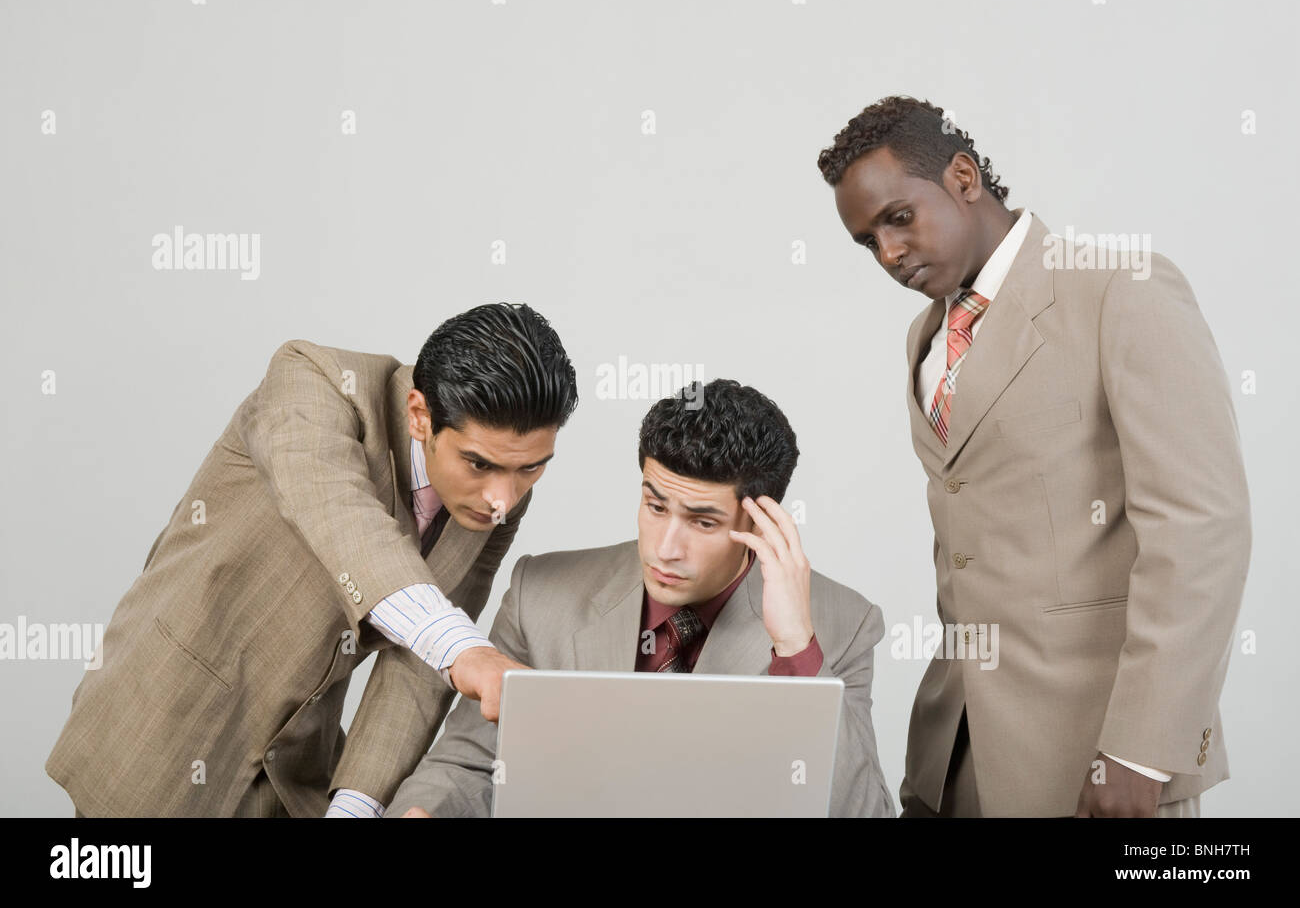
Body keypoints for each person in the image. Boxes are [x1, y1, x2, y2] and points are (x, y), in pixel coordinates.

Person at [816, 96, 1251, 817]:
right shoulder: (925, 338)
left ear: (962, 177)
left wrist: (1142, 749)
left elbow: (1202, 527)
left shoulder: (1119, 290)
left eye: (898, 217)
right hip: (954, 753)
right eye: (867, 240)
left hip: (1095, 757)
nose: (888, 253)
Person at [46, 302, 578, 817]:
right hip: (165, 721)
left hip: (295, 765)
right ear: (420, 415)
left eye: (531, 469)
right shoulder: (315, 382)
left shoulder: (500, 488)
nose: (503, 499)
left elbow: (416, 671)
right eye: (478, 463)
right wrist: (465, 651)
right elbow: (346, 523)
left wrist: (356, 805)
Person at [387, 378, 895, 818]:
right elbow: (471, 763)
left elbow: (860, 810)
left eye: (703, 521)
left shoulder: (841, 625)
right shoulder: (539, 593)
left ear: (760, 523)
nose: (666, 549)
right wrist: (430, 809)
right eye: (655, 505)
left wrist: (795, 648)